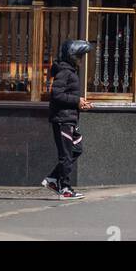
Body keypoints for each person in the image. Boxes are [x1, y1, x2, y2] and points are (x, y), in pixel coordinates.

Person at [41, 38, 94, 199]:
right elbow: (56, 95)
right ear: (72, 56)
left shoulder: (69, 71)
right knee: (66, 155)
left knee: (76, 149)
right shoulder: (64, 72)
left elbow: (66, 96)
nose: (81, 60)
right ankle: (65, 189)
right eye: (80, 56)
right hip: (63, 120)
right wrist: (76, 101)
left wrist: (80, 103)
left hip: (69, 118)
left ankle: (52, 179)